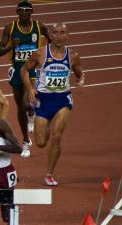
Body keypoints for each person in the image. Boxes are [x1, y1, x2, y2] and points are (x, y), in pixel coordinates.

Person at [21, 23, 84, 186]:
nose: (59, 36)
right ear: (50, 35)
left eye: (62, 32)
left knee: (57, 137)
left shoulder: (73, 56)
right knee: (41, 142)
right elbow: (24, 70)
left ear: (67, 35)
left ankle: (49, 174)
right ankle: (47, 123)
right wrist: (29, 90)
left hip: (63, 99)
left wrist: (81, 80)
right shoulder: (40, 53)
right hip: (43, 99)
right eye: (55, 33)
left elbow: (78, 72)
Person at [0, 0, 49, 157]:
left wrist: (46, 56)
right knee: (20, 107)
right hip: (17, 69)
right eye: (22, 10)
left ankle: (31, 113)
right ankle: (26, 140)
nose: (24, 13)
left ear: (32, 12)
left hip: (32, 71)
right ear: (17, 12)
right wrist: (12, 46)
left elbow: (51, 40)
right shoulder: (10, 28)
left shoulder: (39, 26)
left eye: (27, 10)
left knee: (26, 103)